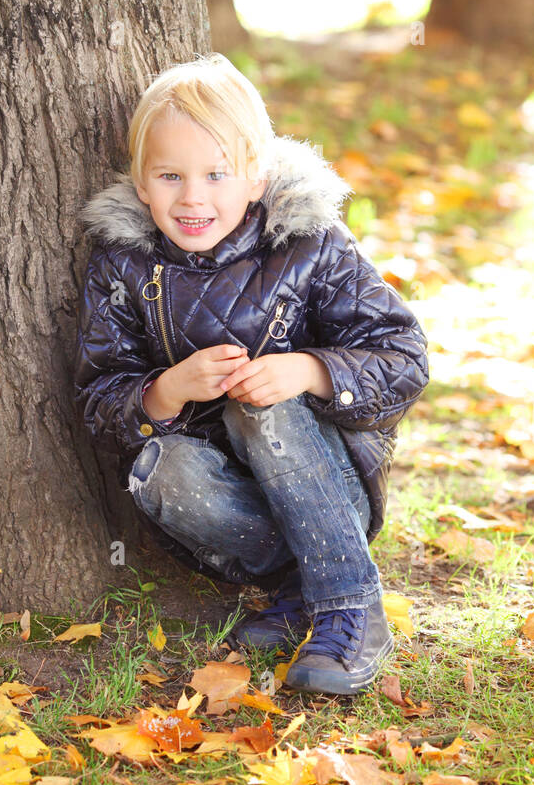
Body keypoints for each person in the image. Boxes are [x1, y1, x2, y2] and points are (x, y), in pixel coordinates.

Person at [73, 52, 428, 695]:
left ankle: (351, 604)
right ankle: (300, 587)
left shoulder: (308, 243)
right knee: (160, 471)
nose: (194, 197)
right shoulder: (123, 262)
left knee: (259, 406)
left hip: (327, 474)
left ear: (256, 177)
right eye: (171, 176)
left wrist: (309, 372)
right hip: (233, 491)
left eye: (216, 174)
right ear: (142, 183)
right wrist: (166, 390)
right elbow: (99, 395)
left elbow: (403, 356)